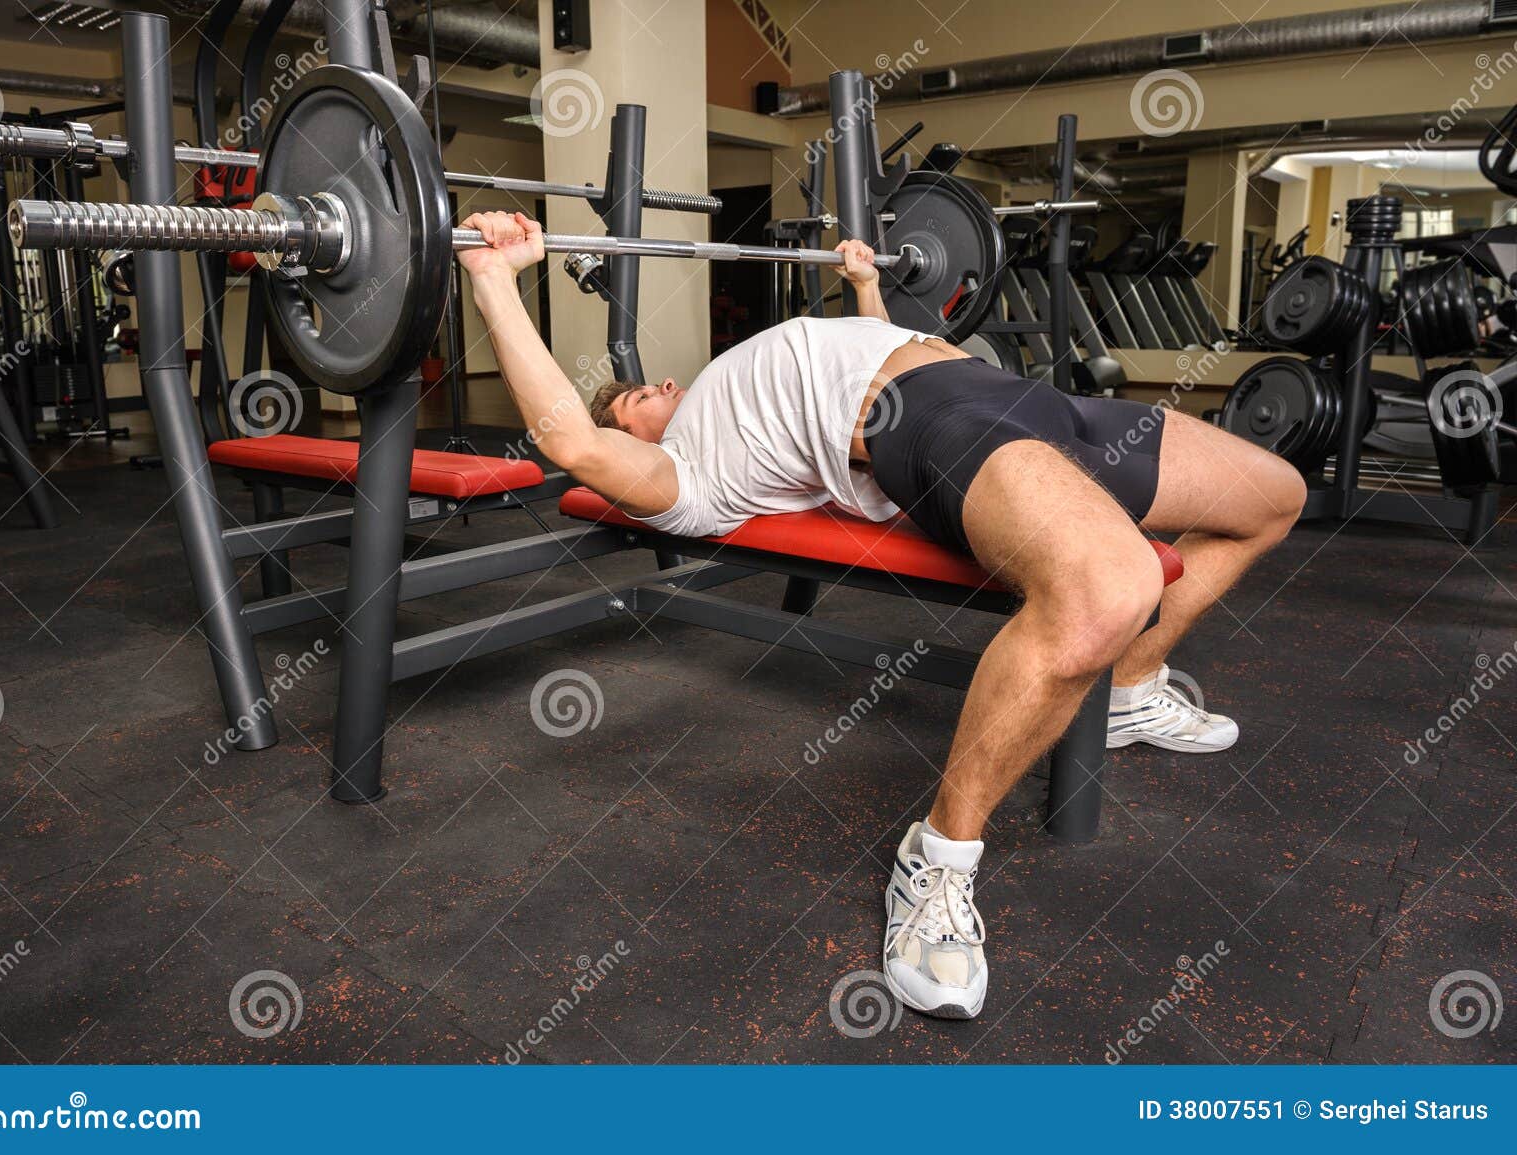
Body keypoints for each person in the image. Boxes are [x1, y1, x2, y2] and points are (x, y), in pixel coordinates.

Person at [458, 210, 1306, 1020]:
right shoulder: (689, 476)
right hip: (947, 421)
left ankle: (1128, 684)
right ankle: (936, 861)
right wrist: (493, 278)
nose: (664, 384)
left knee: (1276, 495)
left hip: (1019, 394)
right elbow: (571, 443)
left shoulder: (720, 386)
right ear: (634, 436)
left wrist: (866, 285)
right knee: (1112, 589)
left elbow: (865, 348)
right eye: (640, 395)